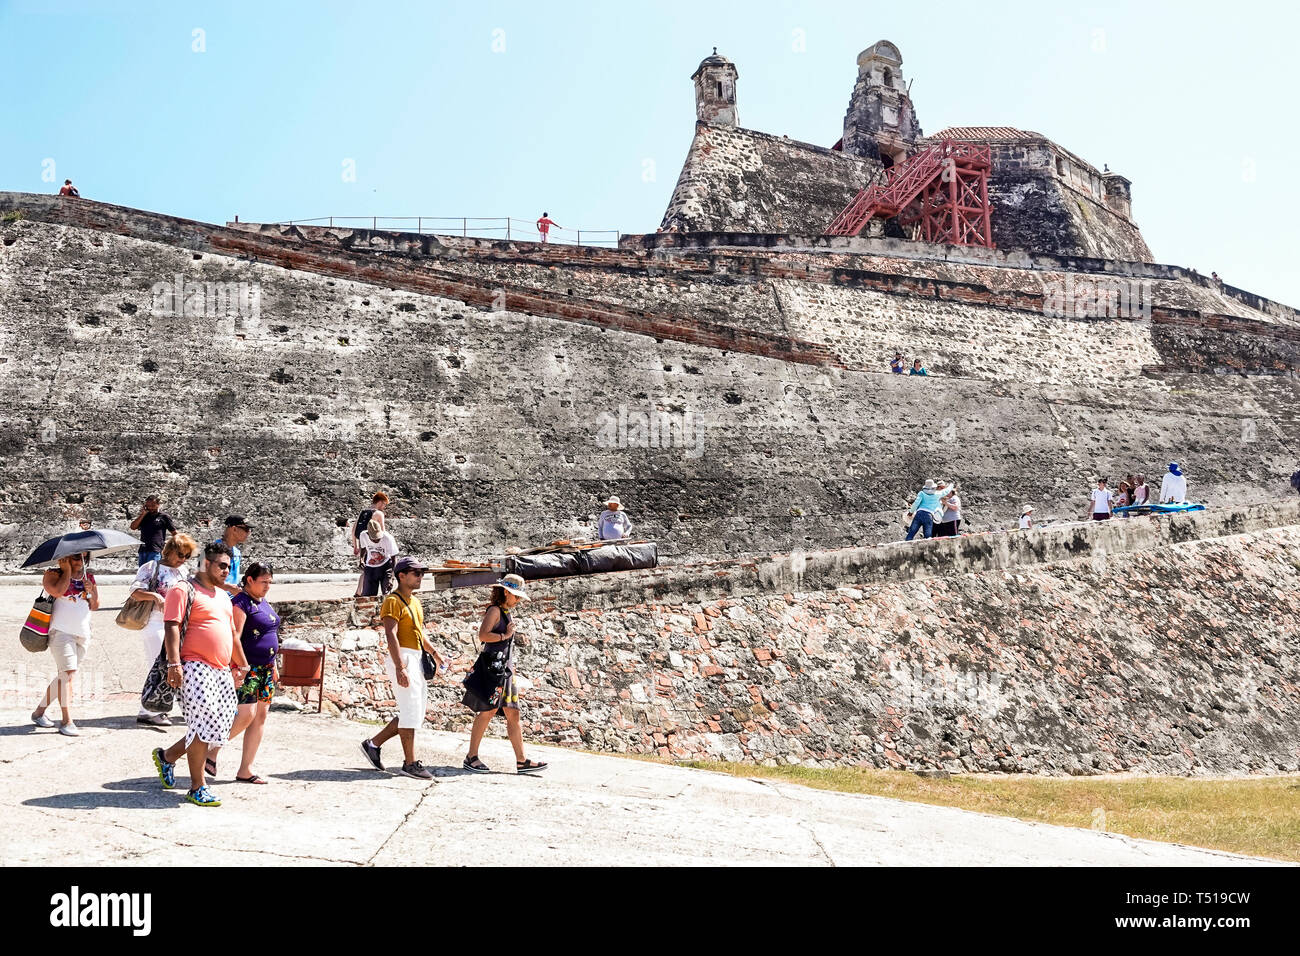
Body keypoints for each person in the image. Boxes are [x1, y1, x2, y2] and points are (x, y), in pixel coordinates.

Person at [150, 542, 249, 807]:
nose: (226, 571)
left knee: (219, 724)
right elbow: (172, 627)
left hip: (221, 669)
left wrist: (242, 665)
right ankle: (197, 787)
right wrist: (174, 664)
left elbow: (231, 635)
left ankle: (168, 756)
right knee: (204, 723)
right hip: (193, 665)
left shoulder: (222, 596)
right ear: (206, 563)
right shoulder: (183, 589)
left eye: (229, 566)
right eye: (221, 565)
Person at [359, 557, 446, 780]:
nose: (420, 577)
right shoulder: (393, 601)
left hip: (415, 656)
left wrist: (435, 653)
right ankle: (410, 763)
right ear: (401, 576)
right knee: (410, 709)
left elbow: (419, 633)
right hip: (403, 657)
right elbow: (391, 634)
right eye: (416, 573)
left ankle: (373, 744)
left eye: (421, 573)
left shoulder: (415, 602)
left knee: (414, 710)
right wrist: (400, 667)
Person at [462, 574, 547, 774]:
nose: (518, 600)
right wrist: (505, 635)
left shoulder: (506, 612)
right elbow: (483, 635)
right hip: (494, 670)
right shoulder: (495, 611)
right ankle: (471, 756)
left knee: (513, 714)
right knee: (488, 711)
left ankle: (521, 760)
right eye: (516, 596)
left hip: (505, 671)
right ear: (506, 592)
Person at [206, 563, 280, 785]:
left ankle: (246, 769)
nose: (267, 586)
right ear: (249, 580)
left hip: (266, 669)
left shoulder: (262, 602)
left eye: (269, 582)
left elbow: (270, 632)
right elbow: (233, 636)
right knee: (245, 714)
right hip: (248, 668)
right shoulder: (240, 603)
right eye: (263, 581)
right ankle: (210, 750)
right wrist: (239, 666)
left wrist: (274, 663)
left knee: (260, 717)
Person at [130, 532, 198, 727]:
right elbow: (134, 591)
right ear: (169, 550)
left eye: (186, 556)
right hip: (155, 622)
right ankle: (152, 710)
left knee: (167, 665)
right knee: (160, 665)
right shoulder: (152, 567)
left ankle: (150, 709)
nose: (182, 559)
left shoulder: (184, 572)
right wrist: (155, 596)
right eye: (180, 554)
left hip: (177, 623)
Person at [31, 553, 100, 736]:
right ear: (65, 557)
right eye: (76, 557)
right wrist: (67, 571)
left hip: (83, 633)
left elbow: (95, 605)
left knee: (65, 676)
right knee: (68, 675)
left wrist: (90, 591)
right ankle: (66, 721)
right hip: (60, 632)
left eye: (84, 558)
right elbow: (58, 592)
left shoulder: (89, 577)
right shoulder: (52, 574)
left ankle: (38, 713)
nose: (80, 562)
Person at [352, 492, 390, 596]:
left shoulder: (363, 512)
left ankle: (358, 591)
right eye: (384, 504)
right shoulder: (379, 514)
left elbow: (354, 529)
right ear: (380, 502)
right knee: (368, 569)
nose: (384, 507)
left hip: (363, 543)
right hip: (374, 545)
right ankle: (359, 591)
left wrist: (355, 545)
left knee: (366, 569)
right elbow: (382, 531)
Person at [130, 495, 178, 567]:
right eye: (148, 505)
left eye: (153, 505)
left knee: (153, 573)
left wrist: (172, 547)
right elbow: (133, 527)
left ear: (158, 505)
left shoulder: (164, 516)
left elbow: (174, 533)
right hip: (143, 549)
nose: (150, 507)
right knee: (142, 574)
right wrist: (143, 514)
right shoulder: (144, 516)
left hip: (155, 550)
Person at [358, 513, 398, 596]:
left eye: (378, 538)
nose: (376, 541)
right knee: (367, 597)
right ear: (368, 534)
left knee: (387, 595)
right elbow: (363, 547)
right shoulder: (363, 535)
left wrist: (391, 578)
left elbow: (394, 558)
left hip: (385, 566)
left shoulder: (388, 538)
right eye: (374, 539)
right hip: (370, 568)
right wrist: (361, 559)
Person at [214, 515, 251, 594]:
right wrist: (229, 587)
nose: (249, 532)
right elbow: (204, 580)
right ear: (234, 529)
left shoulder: (237, 552)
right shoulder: (214, 550)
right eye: (246, 529)